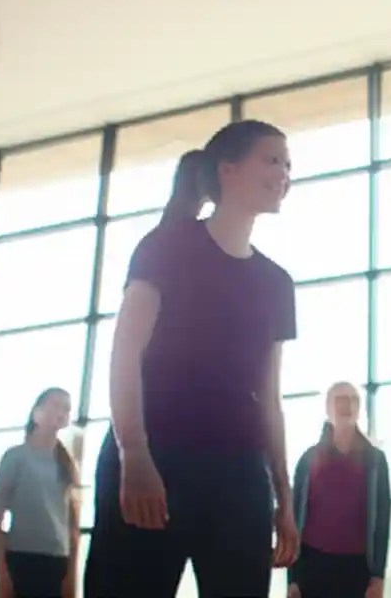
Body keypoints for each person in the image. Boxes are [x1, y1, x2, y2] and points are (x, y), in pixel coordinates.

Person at [83, 120, 298, 598]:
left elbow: (270, 399)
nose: (283, 171)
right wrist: (134, 452)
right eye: (271, 159)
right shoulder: (166, 246)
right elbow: (125, 353)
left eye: (288, 163)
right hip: (154, 457)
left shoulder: (276, 283)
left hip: (239, 470)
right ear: (227, 169)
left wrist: (283, 496)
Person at [287, 382, 391, 598]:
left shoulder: (375, 462)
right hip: (312, 567)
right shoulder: (308, 461)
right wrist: (293, 579)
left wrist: (378, 577)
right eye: (340, 400)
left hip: (357, 569)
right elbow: (294, 520)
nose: (347, 406)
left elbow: (382, 521)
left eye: (353, 400)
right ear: (327, 408)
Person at [0, 388, 80, 598]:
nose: (61, 412)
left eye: (66, 408)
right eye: (55, 405)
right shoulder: (14, 457)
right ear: (36, 412)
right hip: (20, 558)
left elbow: (72, 527)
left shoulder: (66, 464)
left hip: (57, 560)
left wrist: (71, 574)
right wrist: (2, 571)